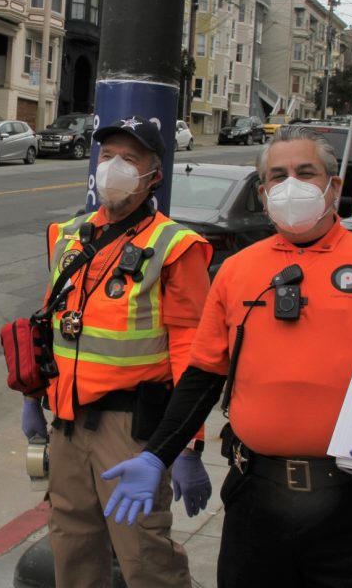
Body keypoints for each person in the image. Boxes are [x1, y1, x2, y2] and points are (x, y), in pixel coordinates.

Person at [102, 126, 352, 587]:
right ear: (262, 191)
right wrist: (158, 455)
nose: (290, 185)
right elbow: (203, 376)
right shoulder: (236, 271)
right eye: (277, 175)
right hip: (257, 500)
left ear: (334, 186)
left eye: (305, 172)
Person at [20, 115, 214, 587]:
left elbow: (192, 350)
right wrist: (31, 399)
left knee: (145, 556)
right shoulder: (67, 235)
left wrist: (190, 444)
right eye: (107, 157)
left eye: (131, 158)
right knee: (72, 546)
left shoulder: (175, 246)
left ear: (154, 175)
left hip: (131, 431)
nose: (115, 167)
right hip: (66, 424)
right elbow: (50, 328)